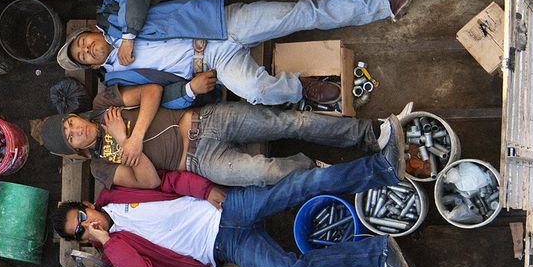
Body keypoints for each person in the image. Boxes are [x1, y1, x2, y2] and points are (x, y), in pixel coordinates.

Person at [48, 117, 416, 267]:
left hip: (227, 208)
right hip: (225, 246)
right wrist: (108, 241)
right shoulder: (114, 256)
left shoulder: (117, 197)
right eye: (81, 230)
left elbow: (167, 181)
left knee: (304, 183)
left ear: (87, 203)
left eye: (83, 216)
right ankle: (378, 254)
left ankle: (381, 168)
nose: (89, 225)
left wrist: (205, 189)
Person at [56, 0, 422, 107]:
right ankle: (301, 90)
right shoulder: (120, 81)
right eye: (83, 57)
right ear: (90, 66)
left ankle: (382, 0)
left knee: (300, 14)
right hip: (212, 63)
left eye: (83, 44)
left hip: (217, 23)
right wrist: (187, 90)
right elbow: (159, 97)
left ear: (89, 33)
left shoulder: (112, 14)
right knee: (257, 91)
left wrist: (130, 36)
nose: (87, 50)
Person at [36, 80, 402, 189]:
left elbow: (152, 92)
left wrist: (132, 136)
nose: (77, 130)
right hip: (198, 160)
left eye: (69, 123)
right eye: (71, 137)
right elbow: (147, 181)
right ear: (75, 149)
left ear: (73, 116)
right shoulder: (101, 166)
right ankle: (312, 167)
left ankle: (371, 134)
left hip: (205, 121)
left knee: (289, 122)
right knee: (264, 174)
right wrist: (130, 149)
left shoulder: (104, 104)